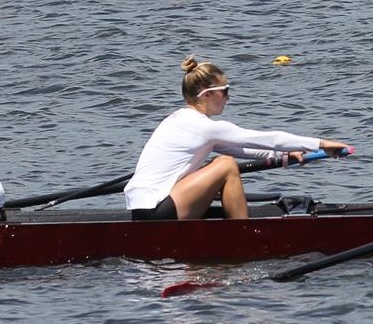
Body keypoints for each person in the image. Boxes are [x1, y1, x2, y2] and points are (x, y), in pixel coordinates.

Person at [124, 57, 350, 221]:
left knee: (219, 162)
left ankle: (231, 223)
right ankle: (243, 233)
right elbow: (268, 138)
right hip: (157, 212)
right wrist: (321, 143)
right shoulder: (203, 127)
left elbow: (242, 149)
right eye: (225, 91)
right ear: (206, 94)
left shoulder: (179, 119)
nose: (228, 98)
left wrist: (283, 156)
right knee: (225, 165)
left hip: (142, 210)